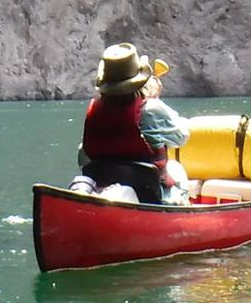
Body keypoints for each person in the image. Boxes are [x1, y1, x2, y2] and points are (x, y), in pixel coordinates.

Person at [75, 43, 191, 203]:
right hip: (147, 191)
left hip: (103, 182)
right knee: (177, 169)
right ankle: (179, 208)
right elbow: (181, 137)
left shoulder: (94, 109)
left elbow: (83, 156)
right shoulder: (151, 109)